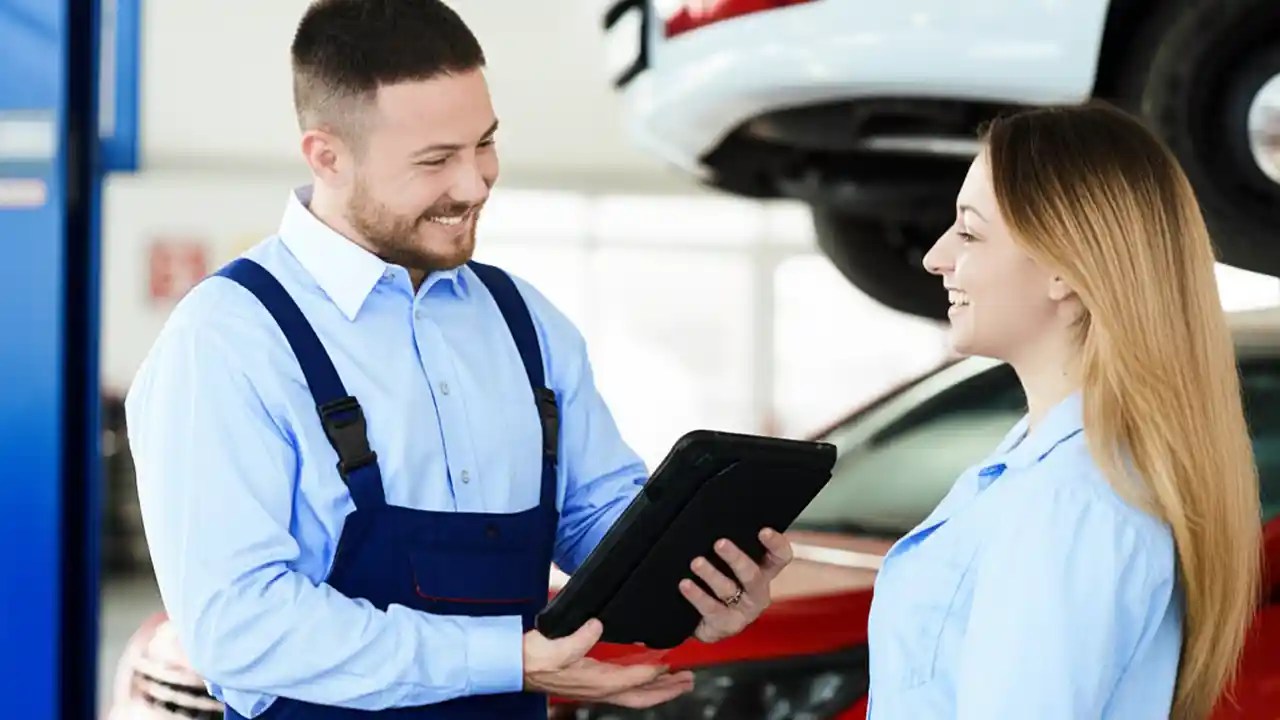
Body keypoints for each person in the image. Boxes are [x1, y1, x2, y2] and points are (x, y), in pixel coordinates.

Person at [124, 1, 795, 718]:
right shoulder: (228, 340)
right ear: (327, 155)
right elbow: (241, 628)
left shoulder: (528, 323)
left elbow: (596, 515)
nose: (475, 183)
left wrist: (695, 582)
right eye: (436, 160)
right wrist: (505, 660)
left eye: (485, 144)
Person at [865, 102, 1261, 720]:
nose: (936, 257)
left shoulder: (1070, 503)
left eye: (969, 231)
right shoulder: (1042, 474)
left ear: (1062, 267)